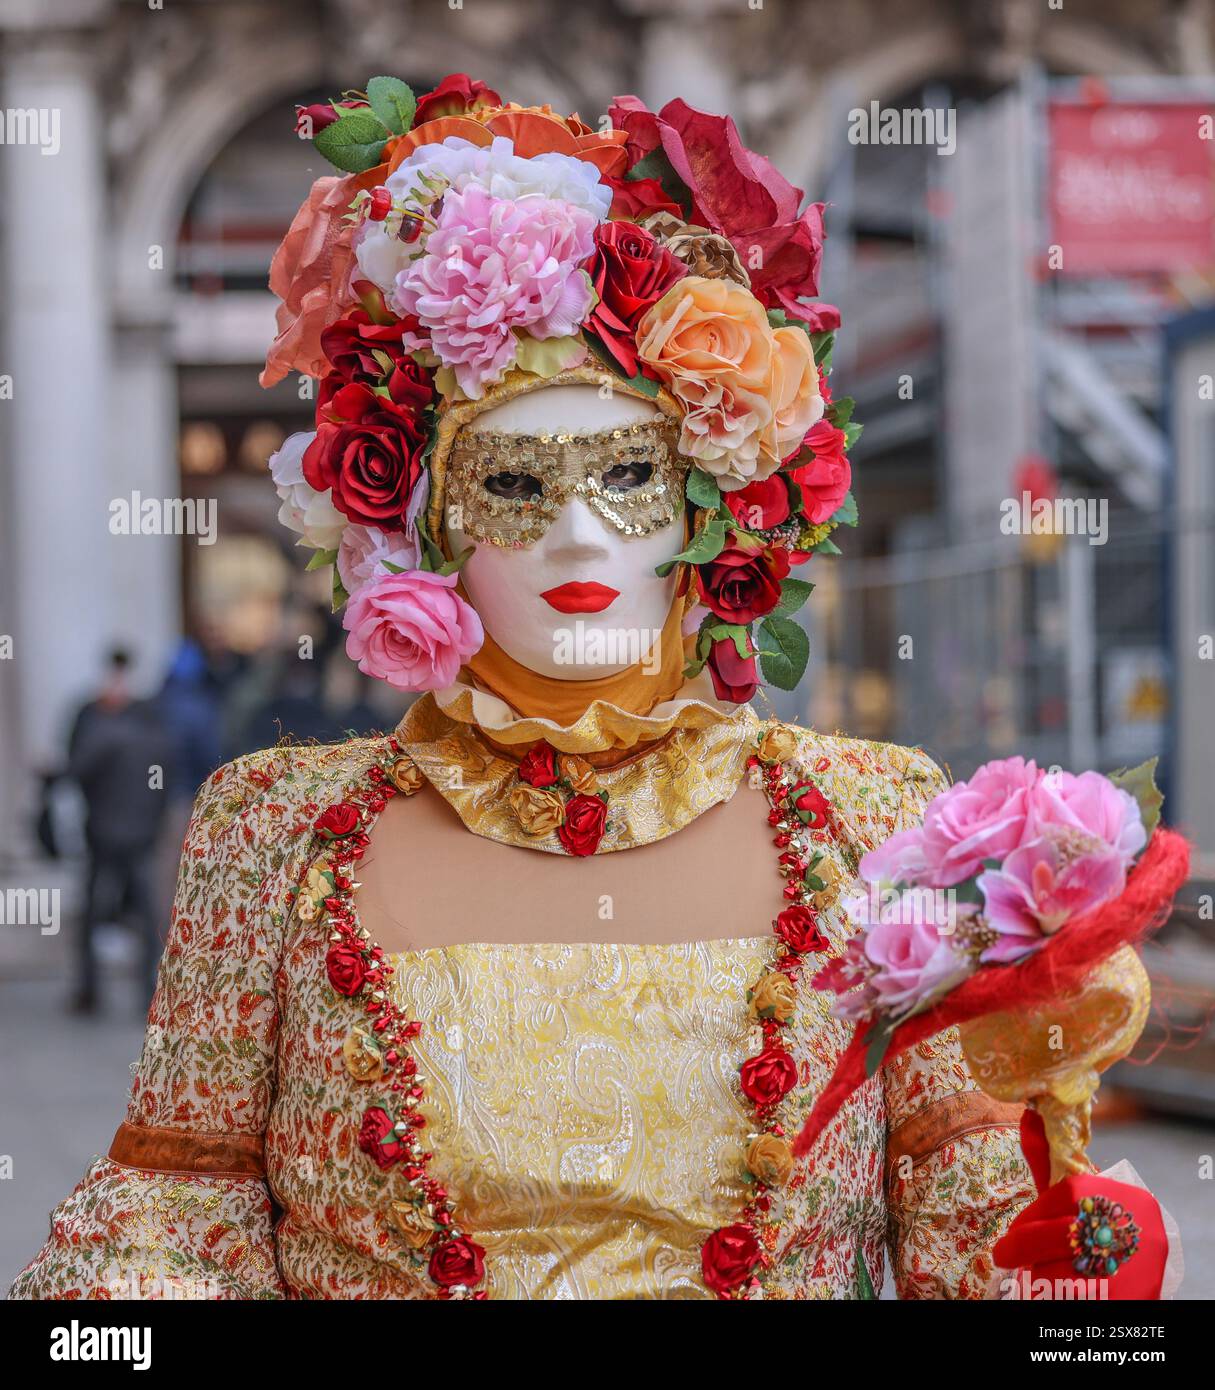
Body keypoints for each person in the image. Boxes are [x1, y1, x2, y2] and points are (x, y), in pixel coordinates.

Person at [9, 74, 1175, 1301]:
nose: (576, 536)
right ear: (424, 526)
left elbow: (977, 1235)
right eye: (515, 483)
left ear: (714, 496)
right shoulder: (275, 834)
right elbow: (172, 1219)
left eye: (626, 475)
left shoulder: (875, 827)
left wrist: (1088, 1266)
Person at [66, 647, 171, 1013]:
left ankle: (92, 989)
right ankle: (146, 991)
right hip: (135, 832)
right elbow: (164, 781)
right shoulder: (148, 724)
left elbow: (75, 770)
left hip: (107, 831)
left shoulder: (97, 724)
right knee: (143, 913)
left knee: (100, 909)